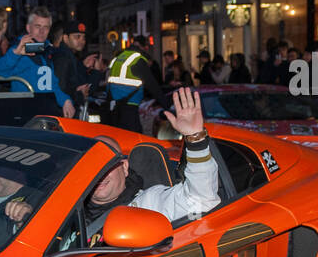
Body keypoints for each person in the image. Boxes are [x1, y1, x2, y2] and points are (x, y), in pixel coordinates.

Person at [71, 89, 219, 245]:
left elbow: (201, 200)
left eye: (106, 164)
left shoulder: (148, 203)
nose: (99, 173)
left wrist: (196, 138)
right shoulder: (69, 209)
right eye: (93, 165)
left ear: (124, 167)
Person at [0, 6, 75, 117]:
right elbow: (0, 70)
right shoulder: (20, 49)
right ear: (28, 28)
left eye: (46, 27)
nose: (42, 31)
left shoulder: (46, 50)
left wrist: (66, 100)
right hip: (24, 112)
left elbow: (51, 84)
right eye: (37, 26)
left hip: (44, 111)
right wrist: (16, 53)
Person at [102, 35, 161, 132]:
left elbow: (110, 80)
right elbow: (153, 86)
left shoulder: (120, 57)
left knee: (120, 135)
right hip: (130, 103)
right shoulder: (137, 59)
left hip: (115, 103)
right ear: (143, 47)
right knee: (135, 136)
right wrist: (167, 106)